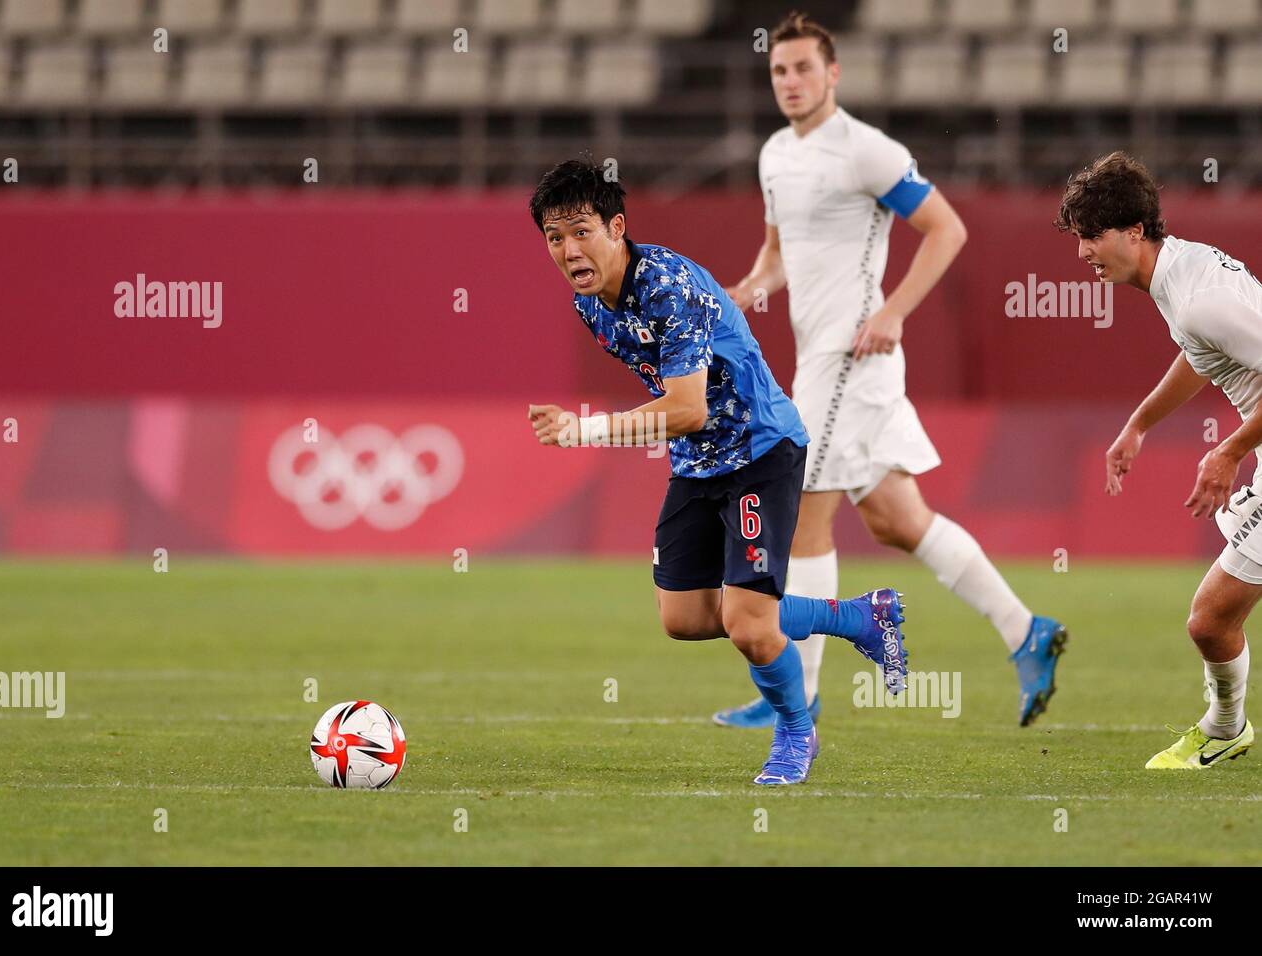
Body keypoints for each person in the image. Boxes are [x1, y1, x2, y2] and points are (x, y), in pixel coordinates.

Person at [714, 11, 1065, 731]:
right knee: (899, 519)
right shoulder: (775, 155)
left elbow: (948, 228)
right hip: (818, 355)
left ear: (833, 72)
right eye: (779, 70)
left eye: (804, 67)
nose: (791, 81)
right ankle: (1025, 630)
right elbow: (778, 254)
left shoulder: (867, 151)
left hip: (853, 356)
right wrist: (749, 288)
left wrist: (896, 311)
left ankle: (797, 698)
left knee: (802, 511)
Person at [526, 158, 908, 785]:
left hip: (761, 451)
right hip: (700, 462)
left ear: (617, 227)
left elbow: (686, 406)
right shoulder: (591, 304)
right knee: (684, 618)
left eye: (581, 230)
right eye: (554, 237)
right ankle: (861, 618)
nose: (569, 250)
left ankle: (795, 733)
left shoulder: (668, 288)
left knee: (748, 624)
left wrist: (584, 429)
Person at [1056, 150, 1255, 768]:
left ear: (1134, 232)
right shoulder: (1180, 274)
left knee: (1208, 620)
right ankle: (1227, 729)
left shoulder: (1197, 297)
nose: (1083, 253)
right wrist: (1140, 424)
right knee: (1212, 620)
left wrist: (1227, 451)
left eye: (1092, 237)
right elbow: (1205, 355)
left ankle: (1225, 731)